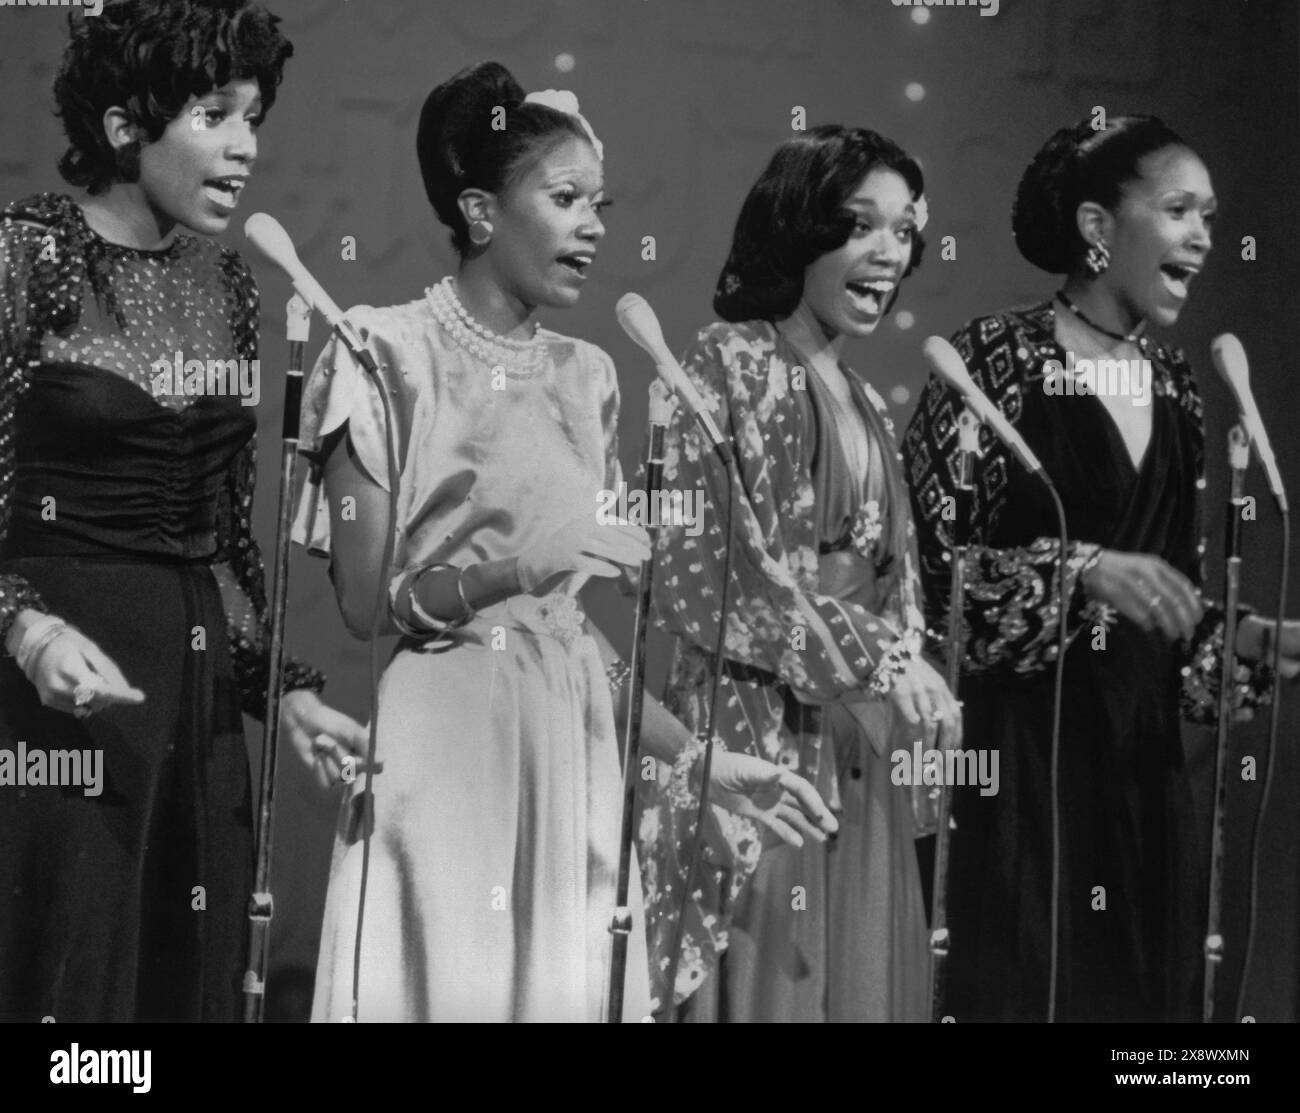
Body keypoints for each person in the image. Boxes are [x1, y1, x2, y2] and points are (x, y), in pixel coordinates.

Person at [294, 61, 836, 1023]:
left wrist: (698, 756)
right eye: (566, 197)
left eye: (602, 202)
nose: (594, 223)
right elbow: (368, 603)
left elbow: (568, 630)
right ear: (479, 211)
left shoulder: (590, 376)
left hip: (570, 747)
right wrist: (517, 567)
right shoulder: (381, 351)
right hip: (449, 741)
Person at [0, 0, 368, 1023]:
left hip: (196, 694)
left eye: (253, 116)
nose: (244, 146)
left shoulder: (231, 288)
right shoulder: (24, 259)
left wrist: (283, 693)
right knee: (70, 978)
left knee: (182, 976)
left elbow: (224, 540)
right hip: (51, 691)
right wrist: (24, 630)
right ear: (124, 126)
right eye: (214, 113)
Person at [903, 114, 1300, 1021]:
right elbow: (925, 582)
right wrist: (1075, 569)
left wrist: (1242, 636)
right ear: (1096, 227)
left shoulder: (1177, 387)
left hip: (1138, 770)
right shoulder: (991, 361)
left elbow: (1169, 599)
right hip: (1016, 767)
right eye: (1177, 209)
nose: (1203, 234)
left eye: (1210, 215)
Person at [639, 125, 962, 1021]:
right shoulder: (723, 360)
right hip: (760, 741)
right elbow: (699, 567)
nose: (886, 253)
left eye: (902, 231)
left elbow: (895, 588)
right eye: (860, 225)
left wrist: (906, 678)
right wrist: (881, 658)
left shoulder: (867, 401)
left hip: (860, 751)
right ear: (799, 227)